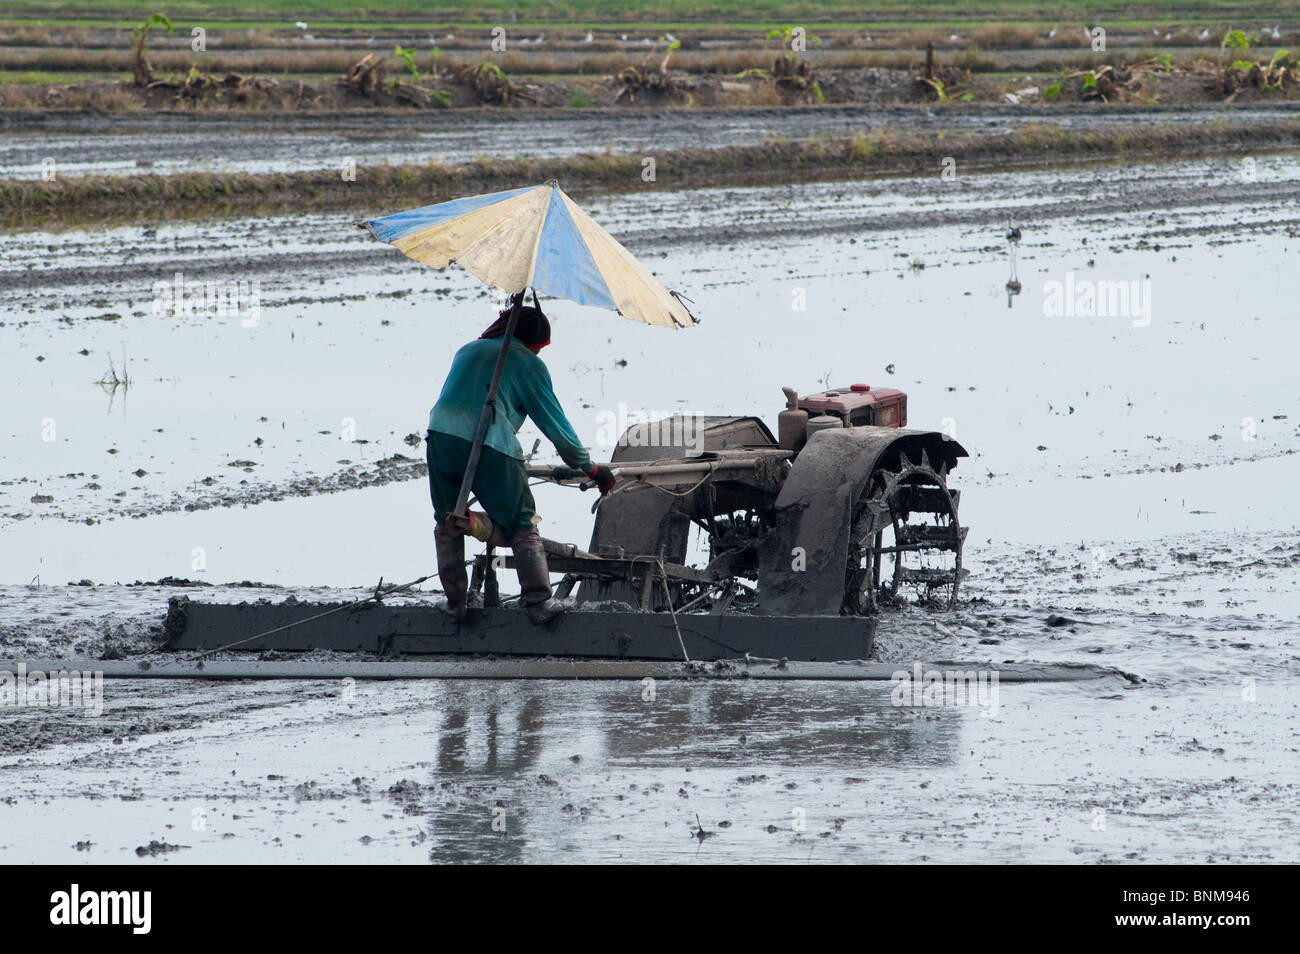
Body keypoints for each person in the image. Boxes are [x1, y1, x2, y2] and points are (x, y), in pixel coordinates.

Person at [427, 295, 615, 624]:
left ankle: (455, 605)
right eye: (540, 347)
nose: (540, 353)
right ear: (534, 343)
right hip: (491, 443)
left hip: (440, 437)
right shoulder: (530, 364)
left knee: (448, 519)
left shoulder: (468, 349)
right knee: (521, 523)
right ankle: (539, 602)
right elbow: (560, 432)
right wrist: (592, 469)